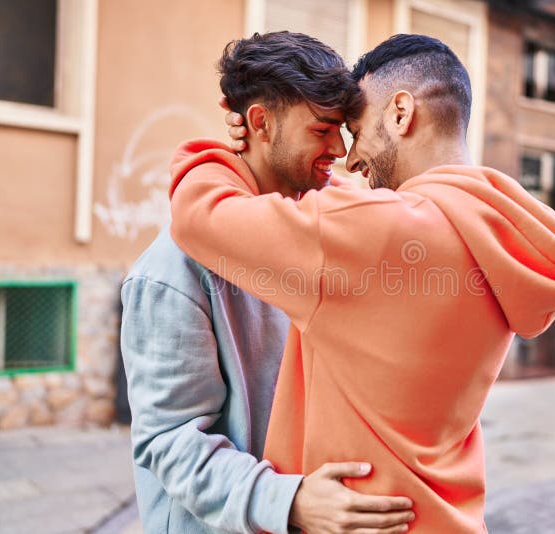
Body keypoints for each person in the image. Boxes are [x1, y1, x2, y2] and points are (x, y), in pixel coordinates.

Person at [169, 34, 555, 533]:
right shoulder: (499, 235)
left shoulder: (368, 232)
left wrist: (229, 152)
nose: (347, 159)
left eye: (355, 128)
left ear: (400, 114)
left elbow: (199, 214)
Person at [120, 32, 414, 534]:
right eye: (322, 130)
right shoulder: (171, 271)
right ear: (260, 122)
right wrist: (290, 501)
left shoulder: (314, 228)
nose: (339, 150)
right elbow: (168, 441)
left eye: (342, 130)